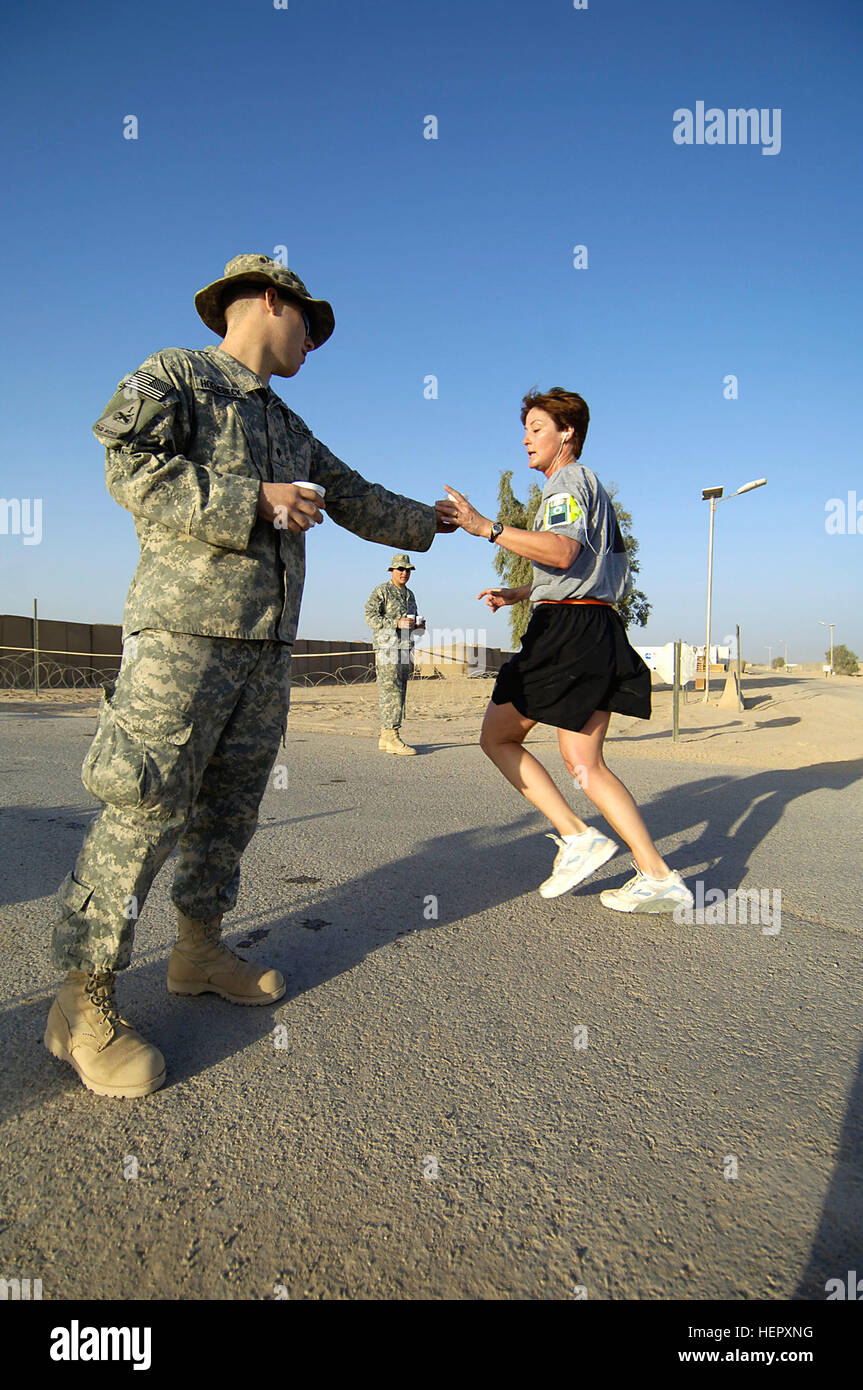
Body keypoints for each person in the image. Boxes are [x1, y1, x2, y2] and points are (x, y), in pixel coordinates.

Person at [44, 253, 455, 1099]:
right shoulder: (177, 378)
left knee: (229, 806)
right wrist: (251, 501)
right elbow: (130, 466)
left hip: (265, 649)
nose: (315, 342)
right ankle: (79, 1004)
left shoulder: (289, 426)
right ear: (271, 301)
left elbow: (353, 496)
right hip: (182, 637)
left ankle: (197, 953)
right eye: (312, 324)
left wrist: (446, 522)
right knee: (144, 803)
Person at [440, 387, 694, 914]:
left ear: (566, 433)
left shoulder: (566, 482)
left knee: (497, 736)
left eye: (537, 428)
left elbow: (561, 550)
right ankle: (658, 875)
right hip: (594, 624)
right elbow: (579, 571)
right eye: (526, 429)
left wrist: (486, 527)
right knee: (584, 763)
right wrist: (522, 592)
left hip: (568, 631)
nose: (526, 439)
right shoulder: (585, 486)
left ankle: (578, 837)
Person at [365, 554, 426, 754]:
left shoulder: (410, 595)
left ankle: (385, 735)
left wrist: (419, 626)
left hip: (404, 648)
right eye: (400, 569)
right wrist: (395, 624)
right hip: (387, 648)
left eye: (408, 570)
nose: (404, 573)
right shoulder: (382, 591)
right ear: (391, 571)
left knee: (400, 691)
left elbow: (413, 626)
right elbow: (370, 616)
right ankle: (392, 735)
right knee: (390, 691)